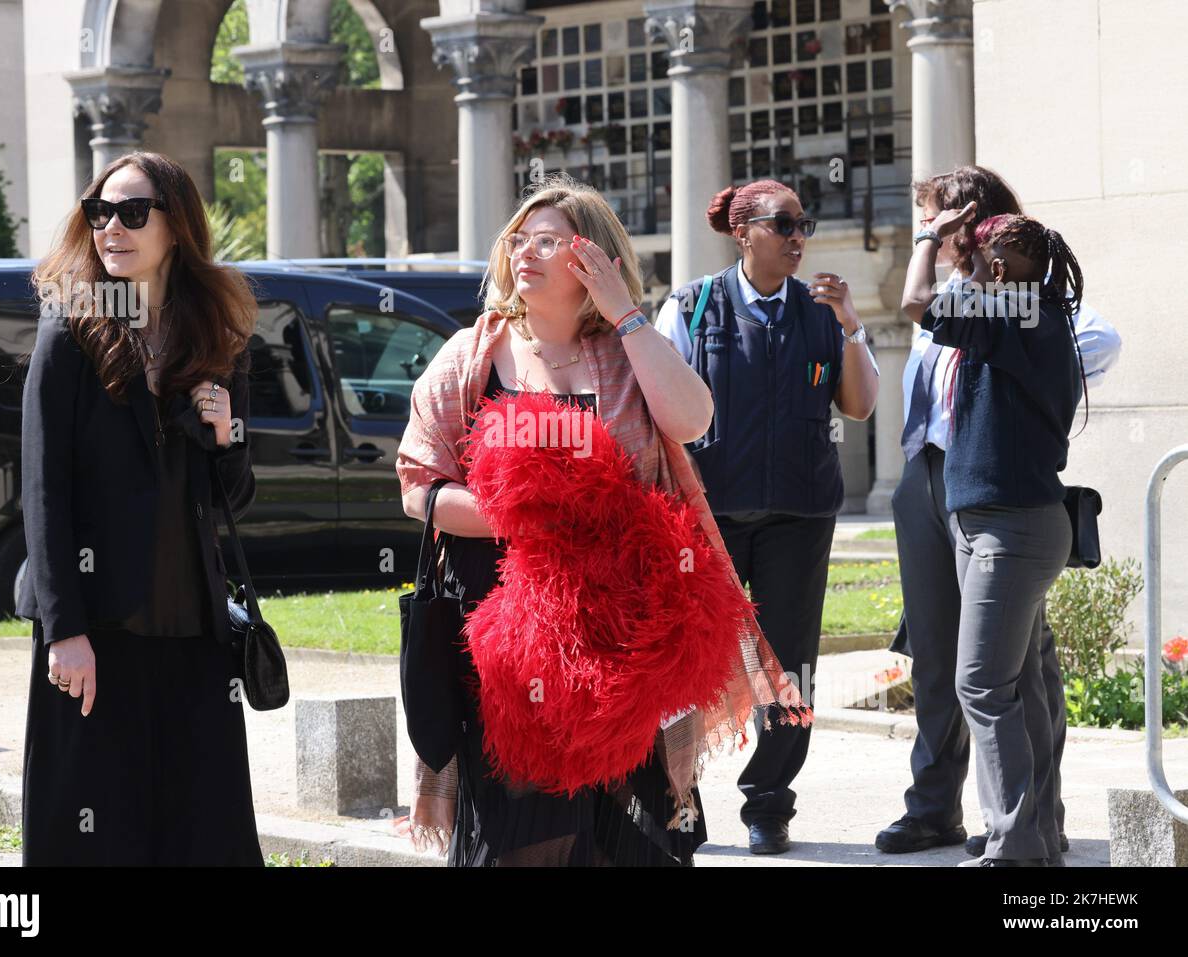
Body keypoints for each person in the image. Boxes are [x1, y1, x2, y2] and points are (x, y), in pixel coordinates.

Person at [395, 173, 810, 866]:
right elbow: (419, 488)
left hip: (628, 644)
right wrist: (534, 519)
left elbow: (692, 418)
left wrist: (624, 311)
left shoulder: (627, 352)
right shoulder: (471, 357)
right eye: (518, 239)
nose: (525, 251)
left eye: (548, 240)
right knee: (527, 839)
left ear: (593, 257)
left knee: (631, 841)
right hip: (509, 647)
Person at [18, 151, 262, 866]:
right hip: (96, 631)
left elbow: (233, 498)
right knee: (95, 832)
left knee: (203, 831)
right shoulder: (71, 329)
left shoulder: (216, 335)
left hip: (193, 634)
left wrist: (228, 435)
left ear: (176, 226)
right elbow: (44, 489)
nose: (110, 228)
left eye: (131, 212)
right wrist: (64, 631)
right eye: (100, 212)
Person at [876, 167, 1121, 860]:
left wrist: (928, 240)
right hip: (972, 506)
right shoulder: (1011, 315)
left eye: (980, 251)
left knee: (987, 681)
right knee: (1005, 676)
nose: (967, 256)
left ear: (1004, 261)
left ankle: (1017, 841)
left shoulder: (1018, 315)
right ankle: (1029, 832)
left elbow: (917, 302)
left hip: (1009, 518)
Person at [654, 179, 879, 854]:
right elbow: (659, 403)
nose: (798, 237)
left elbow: (861, 405)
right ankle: (675, 801)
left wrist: (851, 324)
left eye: (803, 224)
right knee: (686, 660)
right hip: (707, 516)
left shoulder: (820, 312)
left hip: (798, 516)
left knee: (790, 665)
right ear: (744, 232)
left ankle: (770, 803)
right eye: (784, 224)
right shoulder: (692, 306)